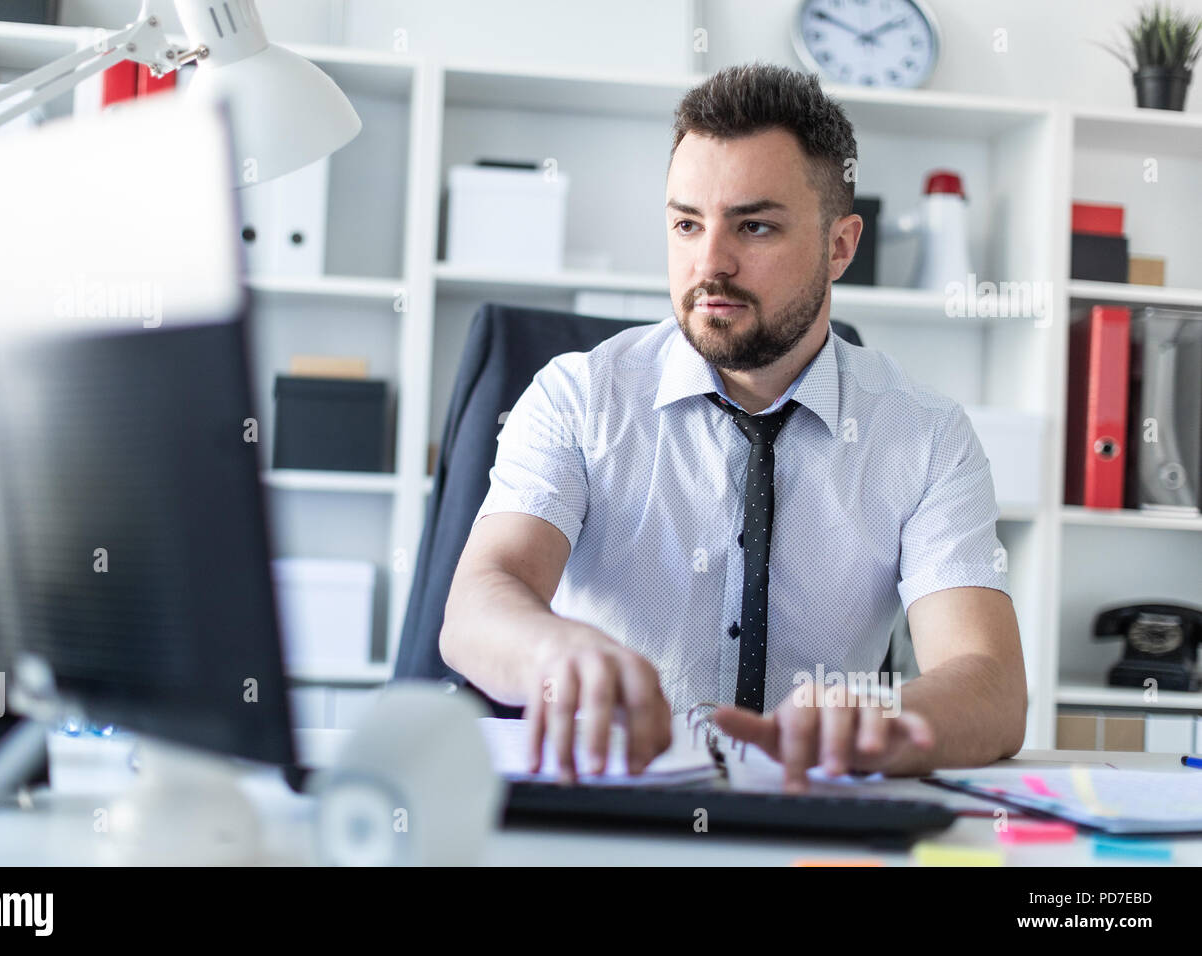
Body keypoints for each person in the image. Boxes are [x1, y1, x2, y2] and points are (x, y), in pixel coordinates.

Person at [439, 63, 1027, 792]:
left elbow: (993, 688)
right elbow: (478, 602)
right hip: (613, 800)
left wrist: (884, 723)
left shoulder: (926, 435)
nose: (709, 264)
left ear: (840, 246)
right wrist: (550, 654)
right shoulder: (577, 396)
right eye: (687, 223)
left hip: (811, 807)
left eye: (754, 226)